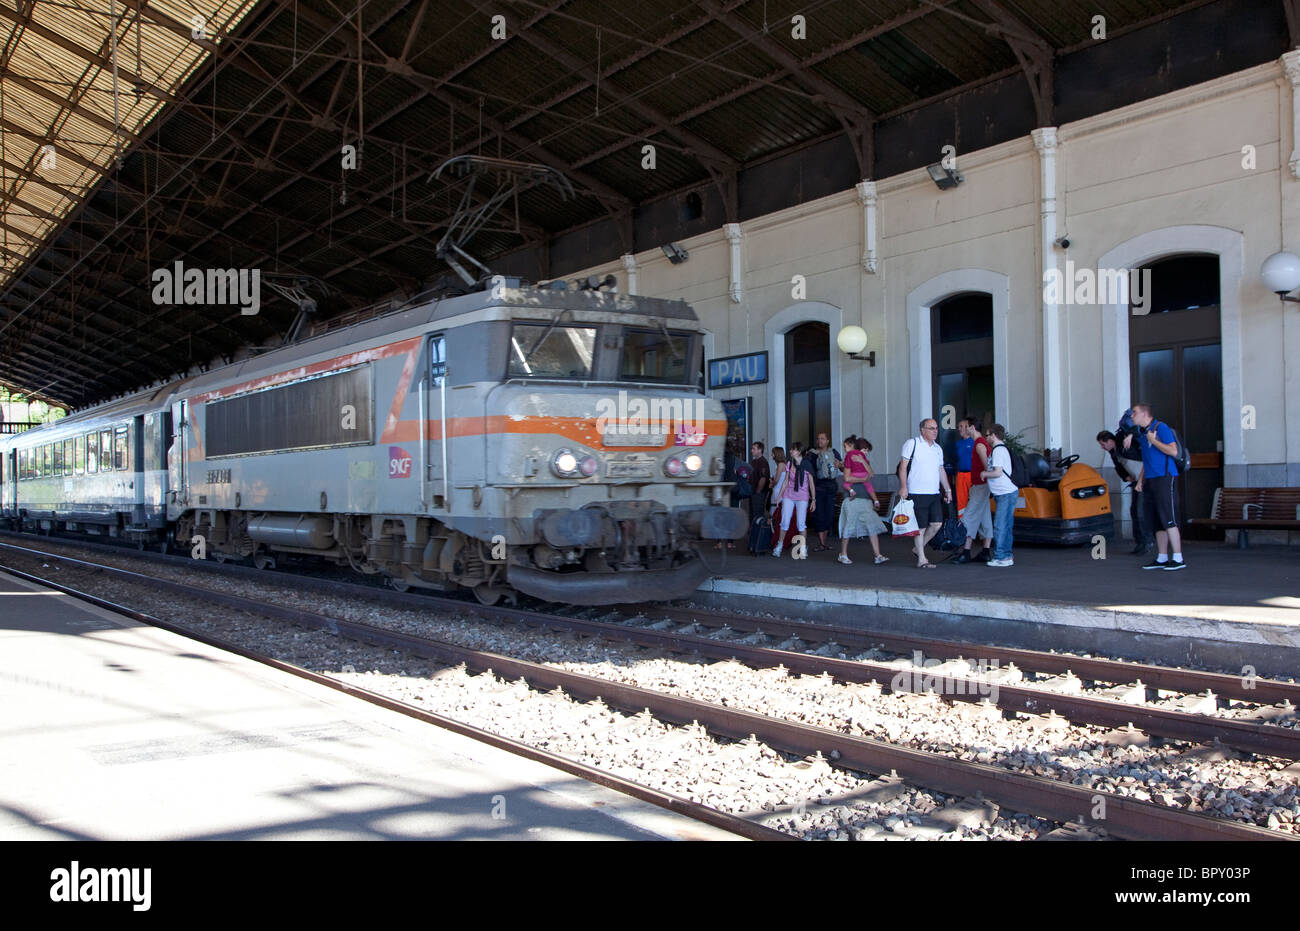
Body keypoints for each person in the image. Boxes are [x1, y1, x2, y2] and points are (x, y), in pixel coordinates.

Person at [1129, 402, 1185, 570]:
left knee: (1169, 518)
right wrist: (1140, 481)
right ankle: (1161, 557)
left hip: (1165, 478)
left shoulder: (1161, 428)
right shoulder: (1143, 433)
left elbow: (1173, 451)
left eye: (1134, 413)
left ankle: (1178, 557)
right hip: (1151, 480)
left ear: (1145, 414)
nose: (1132, 416)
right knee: (1156, 520)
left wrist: (1154, 440)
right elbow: (1147, 461)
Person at [897, 418, 952, 569]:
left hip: (934, 492)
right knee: (920, 526)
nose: (935, 431)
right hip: (916, 491)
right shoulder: (912, 444)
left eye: (936, 428)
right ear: (922, 430)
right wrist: (903, 487)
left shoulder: (937, 448)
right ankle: (922, 559)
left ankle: (918, 548)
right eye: (931, 428)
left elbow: (941, 470)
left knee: (936, 524)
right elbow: (903, 467)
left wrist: (947, 489)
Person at [1098, 427, 1152, 555]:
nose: (1103, 447)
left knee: (1139, 511)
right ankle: (1140, 542)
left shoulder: (1125, 442)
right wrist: (1125, 476)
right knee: (1134, 511)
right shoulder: (1114, 452)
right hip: (1136, 480)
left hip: (1143, 480)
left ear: (1110, 440)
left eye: (1103, 444)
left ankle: (1147, 541)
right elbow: (1119, 467)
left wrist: (1130, 436)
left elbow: (1136, 429)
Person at [838, 436, 888, 565]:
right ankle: (843, 554)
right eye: (864, 450)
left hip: (865, 499)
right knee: (849, 526)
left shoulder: (863, 460)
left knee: (871, 526)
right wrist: (862, 479)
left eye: (866, 451)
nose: (866, 453)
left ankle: (878, 555)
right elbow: (847, 478)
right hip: (852, 499)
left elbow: (871, 474)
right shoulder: (850, 458)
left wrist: (863, 461)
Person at [954, 418, 993, 563]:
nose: (964, 429)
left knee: (969, 516)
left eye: (966, 427)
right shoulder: (982, 443)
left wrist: (986, 476)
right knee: (984, 517)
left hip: (979, 485)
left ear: (972, 427)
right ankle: (986, 550)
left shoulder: (979, 444)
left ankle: (966, 551)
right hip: (983, 485)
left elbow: (986, 467)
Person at [982, 423, 1018, 567]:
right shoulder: (1002, 449)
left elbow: (997, 472)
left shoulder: (997, 450)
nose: (986, 438)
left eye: (987, 434)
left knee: (1000, 525)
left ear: (993, 435)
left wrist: (985, 474)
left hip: (1004, 492)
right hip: (1007, 492)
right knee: (1006, 525)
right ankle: (1007, 555)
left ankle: (1001, 556)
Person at [771, 442, 814, 557]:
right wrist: (779, 496)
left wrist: (813, 499)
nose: (790, 451)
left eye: (793, 449)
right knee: (784, 521)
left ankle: (803, 547)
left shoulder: (807, 465)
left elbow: (811, 483)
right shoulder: (789, 464)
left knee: (801, 524)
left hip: (802, 497)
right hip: (788, 495)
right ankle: (779, 546)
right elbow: (785, 481)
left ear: (799, 452)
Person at [811, 432, 843, 552]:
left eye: (822, 439)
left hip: (831, 487)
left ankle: (823, 543)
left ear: (827, 441)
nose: (820, 441)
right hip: (818, 487)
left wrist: (840, 464)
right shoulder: (812, 454)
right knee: (819, 515)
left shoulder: (834, 453)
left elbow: (843, 468)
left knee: (829, 515)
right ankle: (822, 543)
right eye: (818, 439)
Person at [955, 418, 975, 516]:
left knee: (974, 501)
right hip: (960, 475)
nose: (959, 429)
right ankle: (962, 525)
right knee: (961, 502)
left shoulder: (974, 442)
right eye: (959, 426)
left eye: (962, 426)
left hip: (972, 475)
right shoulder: (958, 443)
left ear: (969, 428)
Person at [749, 441, 772, 518]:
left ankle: (759, 530)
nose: (751, 450)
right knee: (753, 514)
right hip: (753, 492)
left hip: (759, 493)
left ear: (760, 450)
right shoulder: (754, 461)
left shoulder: (763, 462)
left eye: (753, 449)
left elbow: (763, 478)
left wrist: (758, 492)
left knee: (758, 515)